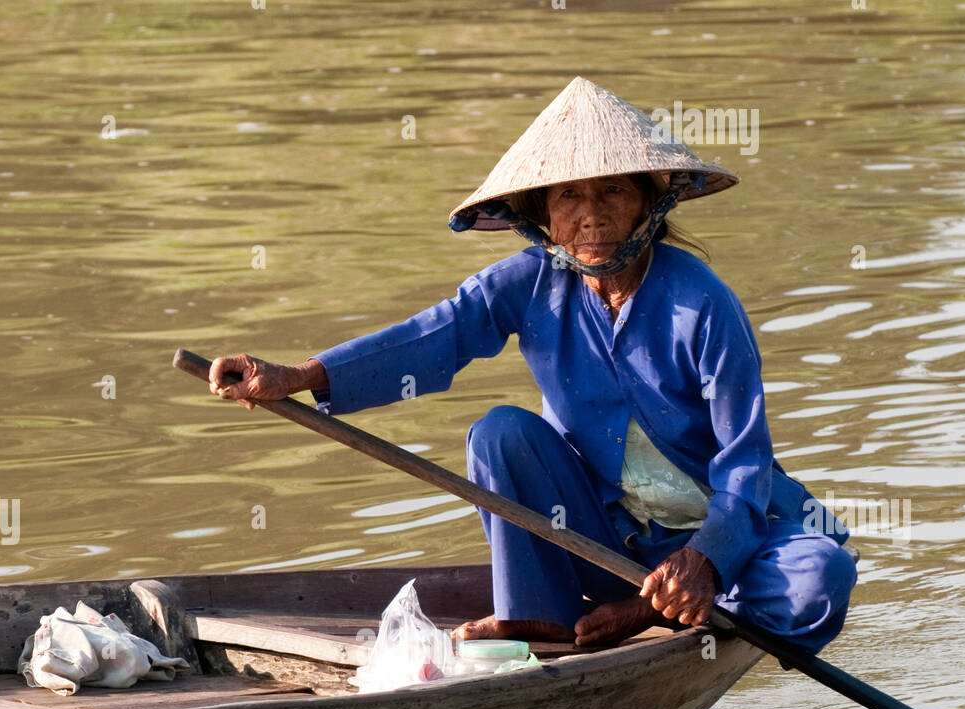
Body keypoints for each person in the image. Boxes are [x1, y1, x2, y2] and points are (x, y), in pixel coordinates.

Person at [209, 77, 857, 653]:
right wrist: (298, 377)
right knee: (500, 432)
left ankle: (684, 608)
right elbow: (432, 338)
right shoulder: (530, 282)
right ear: (541, 215)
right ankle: (538, 614)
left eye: (612, 191)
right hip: (607, 545)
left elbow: (745, 466)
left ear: (649, 202)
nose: (592, 214)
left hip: (731, 545)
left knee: (819, 578)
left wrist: (697, 570)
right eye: (569, 194)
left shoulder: (702, 303)